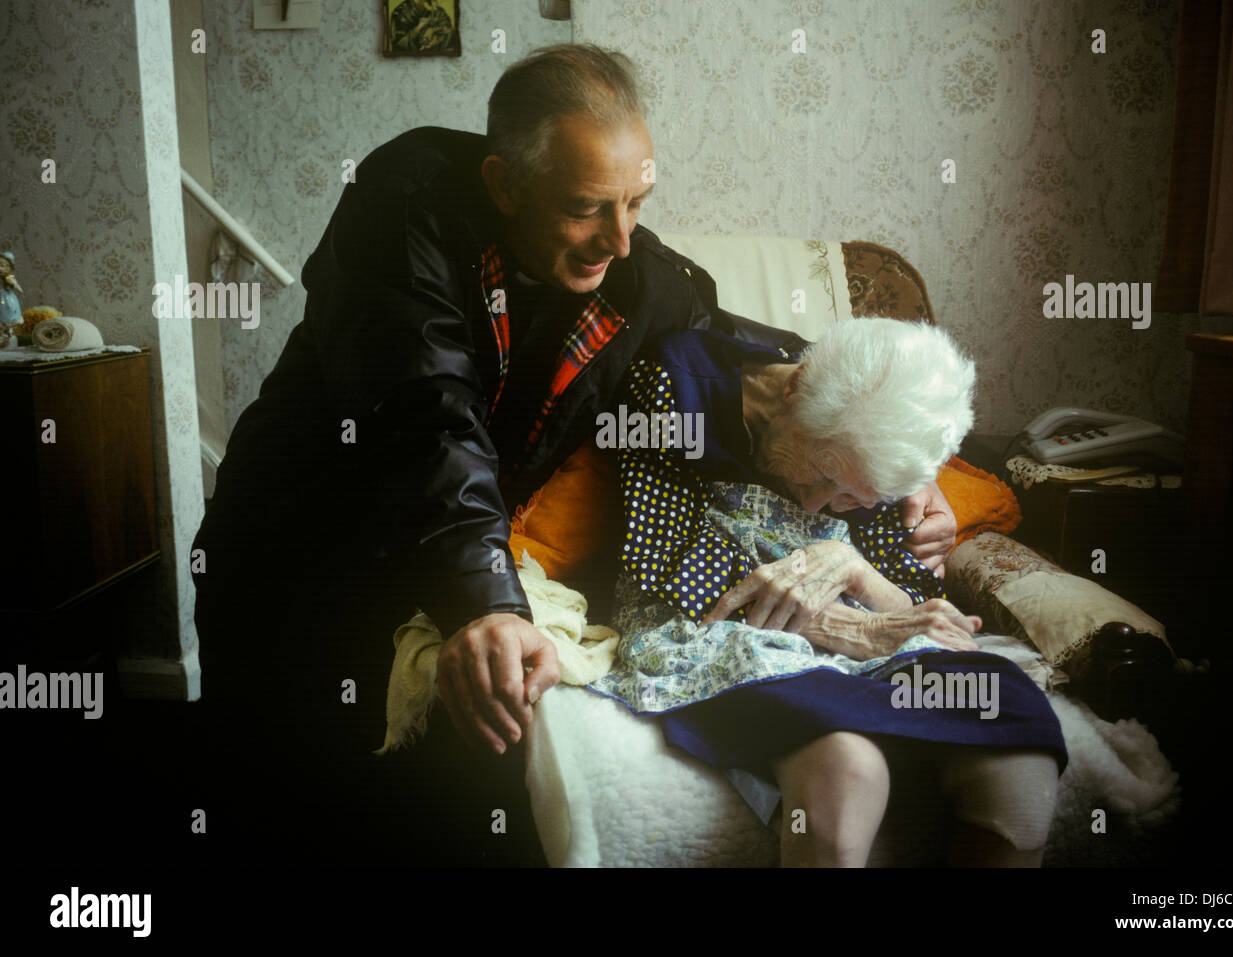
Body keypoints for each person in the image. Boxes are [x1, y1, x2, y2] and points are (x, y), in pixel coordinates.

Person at [189, 44, 960, 864]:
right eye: (589, 207)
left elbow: (762, 352)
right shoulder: (401, 202)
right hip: (295, 540)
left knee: (411, 806)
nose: (619, 239)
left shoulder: (634, 274)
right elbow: (425, 418)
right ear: (503, 184)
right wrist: (485, 599)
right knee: (269, 790)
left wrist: (905, 457)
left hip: (438, 549)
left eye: (637, 202)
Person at [588, 318, 1067, 867]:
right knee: (848, 770)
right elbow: (661, 558)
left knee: (1017, 752)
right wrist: (856, 627)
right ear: (794, 386)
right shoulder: (674, 387)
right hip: (719, 624)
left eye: (852, 499)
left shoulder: (880, 436)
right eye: (821, 472)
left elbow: (907, 590)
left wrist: (856, 570)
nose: (817, 506)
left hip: (857, 626)